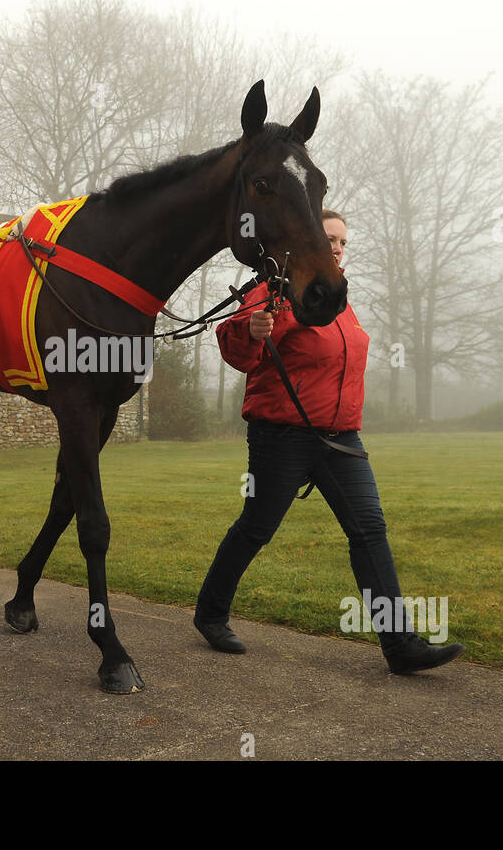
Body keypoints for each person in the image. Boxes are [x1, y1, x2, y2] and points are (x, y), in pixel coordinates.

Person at [194, 210, 464, 674]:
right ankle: (211, 614)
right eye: (329, 238)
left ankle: (400, 647)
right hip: (283, 435)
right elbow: (239, 350)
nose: (337, 247)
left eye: (343, 241)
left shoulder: (337, 297)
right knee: (257, 528)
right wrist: (249, 330)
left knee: (369, 530)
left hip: (341, 438)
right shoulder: (274, 288)